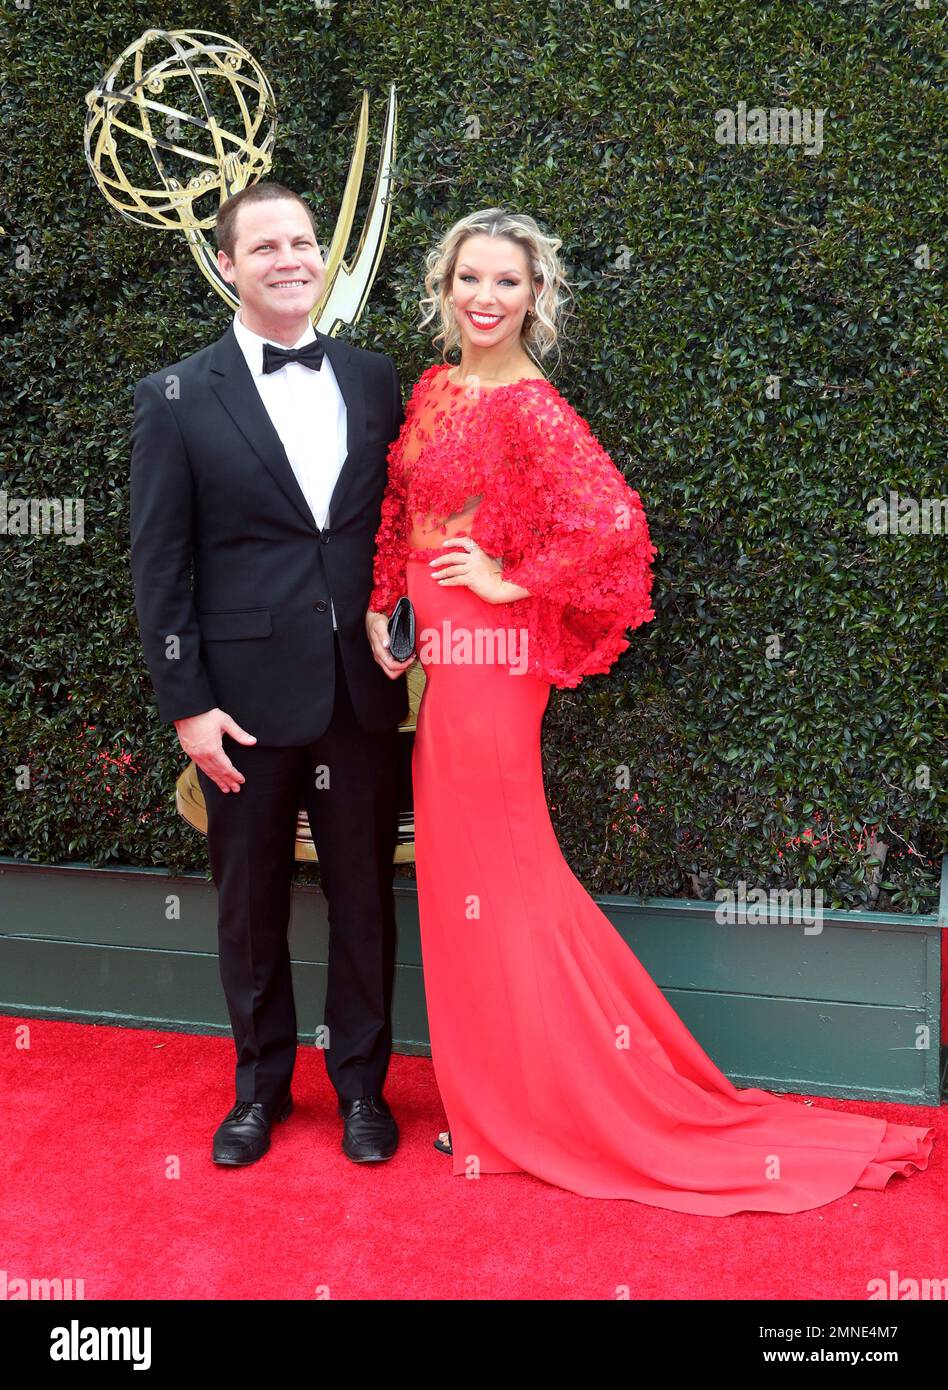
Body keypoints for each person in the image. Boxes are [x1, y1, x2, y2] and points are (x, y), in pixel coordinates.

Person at [364, 207, 935, 1214]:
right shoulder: (439, 385)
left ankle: (539, 1106)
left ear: (537, 295)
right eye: (469, 278)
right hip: (441, 651)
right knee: (471, 873)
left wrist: (508, 581)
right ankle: (500, 1096)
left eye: (507, 281)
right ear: (441, 286)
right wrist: (385, 601)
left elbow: (616, 525)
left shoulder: (534, 405)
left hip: (495, 665)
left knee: (499, 871)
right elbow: (405, 508)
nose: (485, 298)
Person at [130, 182, 408, 1168]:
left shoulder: (377, 380)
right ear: (228, 264)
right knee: (249, 902)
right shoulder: (174, 397)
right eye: (268, 246)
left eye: (303, 242)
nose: (291, 259)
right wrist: (186, 706)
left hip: (359, 695)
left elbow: (400, 526)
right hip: (239, 704)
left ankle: (364, 1090)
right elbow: (159, 566)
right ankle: (259, 1090)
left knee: (363, 897)